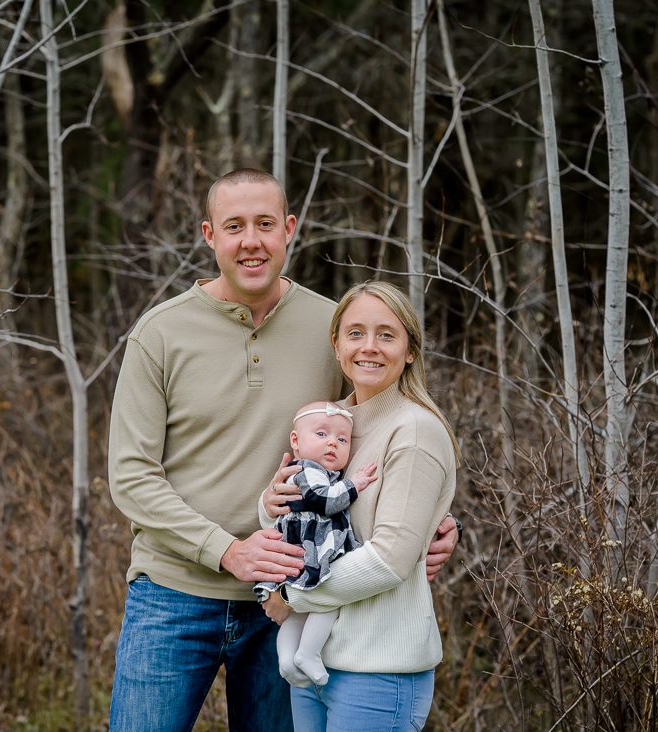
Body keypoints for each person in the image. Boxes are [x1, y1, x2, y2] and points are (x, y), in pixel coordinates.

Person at [107, 169, 460, 732]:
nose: (252, 240)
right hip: (173, 596)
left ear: (289, 230)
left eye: (266, 224)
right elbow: (131, 478)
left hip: (291, 598)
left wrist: (432, 520)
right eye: (235, 226)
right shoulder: (160, 334)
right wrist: (229, 551)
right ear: (209, 235)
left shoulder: (334, 327)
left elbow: (377, 430)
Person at [260, 280, 458, 731]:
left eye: (387, 334)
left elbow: (390, 558)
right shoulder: (328, 423)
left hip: (378, 671)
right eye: (355, 333)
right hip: (313, 669)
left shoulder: (414, 430)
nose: (369, 347)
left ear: (410, 350)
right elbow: (301, 514)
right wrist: (268, 505)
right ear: (336, 344)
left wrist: (292, 592)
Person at [254, 401, 378, 688]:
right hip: (310, 548)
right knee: (326, 602)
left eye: (342, 439)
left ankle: (288, 659)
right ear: (295, 441)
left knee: (300, 611)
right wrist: (355, 484)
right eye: (322, 434)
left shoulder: (316, 470)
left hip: (301, 549)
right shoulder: (308, 469)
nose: (332, 443)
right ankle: (307, 654)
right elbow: (323, 501)